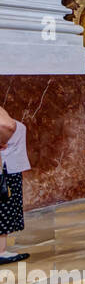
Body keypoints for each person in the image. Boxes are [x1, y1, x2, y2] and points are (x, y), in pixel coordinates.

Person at [0, 105, 31, 264]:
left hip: (7, 163)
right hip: (5, 165)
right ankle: (1, 251)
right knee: (3, 206)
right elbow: (8, 125)